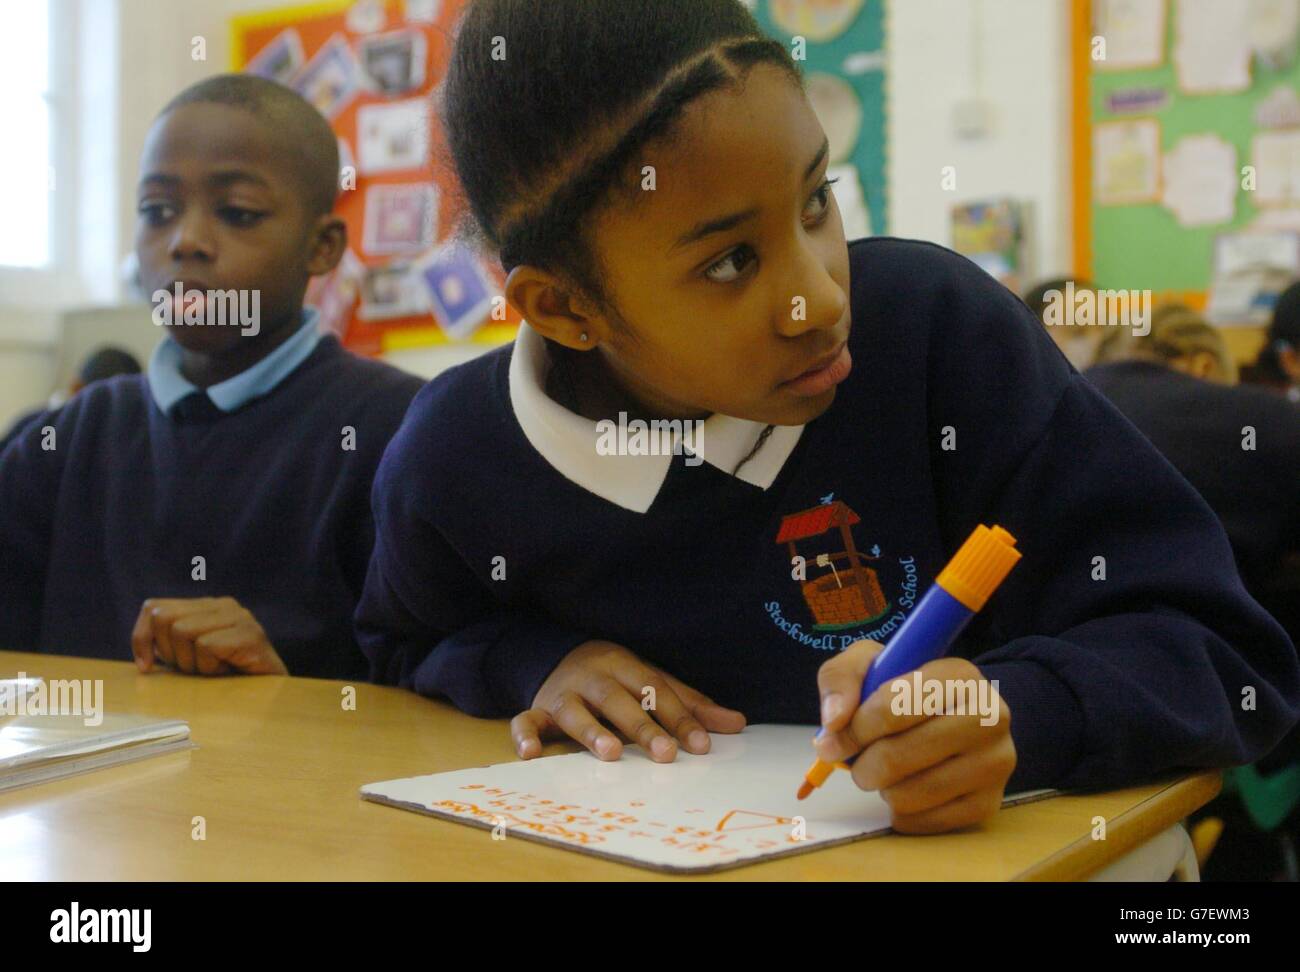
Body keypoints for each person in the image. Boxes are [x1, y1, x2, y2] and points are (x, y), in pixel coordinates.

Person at [355, 0, 1299, 834]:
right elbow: (401, 644)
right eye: (730, 261)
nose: (820, 299)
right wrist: (536, 662)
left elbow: (1223, 654)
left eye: (817, 201)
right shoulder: (455, 459)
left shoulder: (939, 338)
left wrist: (1024, 716)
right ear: (565, 309)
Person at [0, 74, 422, 679]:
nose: (186, 241)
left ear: (322, 247)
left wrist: (282, 686)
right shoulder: (69, 437)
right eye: (157, 211)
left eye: (237, 213)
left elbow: (433, 686)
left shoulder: (397, 432)